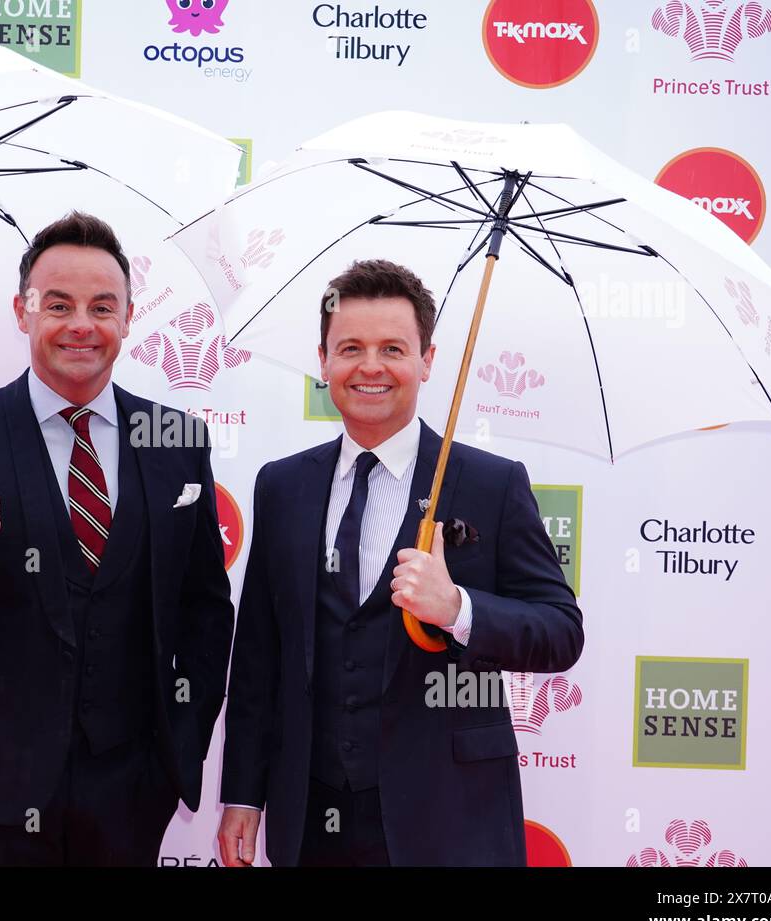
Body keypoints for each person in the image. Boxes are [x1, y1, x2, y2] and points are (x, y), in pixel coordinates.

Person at [0, 211, 234, 866]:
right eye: (59, 304)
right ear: (23, 311)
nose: (82, 324)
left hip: (132, 791)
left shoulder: (177, 441)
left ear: (129, 318)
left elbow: (206, 612)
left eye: (103, 306)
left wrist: (179, 746)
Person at [217, 259, 583, 867]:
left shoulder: (491, 485)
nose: (370, 366)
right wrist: (242, 797)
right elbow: (259, 658)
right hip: (310, 821)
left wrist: (458, 609)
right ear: (324, 359)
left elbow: (561, 632)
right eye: (351, 348)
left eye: (393, 348)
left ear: (428, 360)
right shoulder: (281, 486)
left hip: (449, 820)